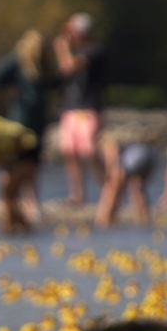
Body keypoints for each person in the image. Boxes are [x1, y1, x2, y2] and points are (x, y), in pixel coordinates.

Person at [0, 29, 49, 224]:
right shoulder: (18, 61)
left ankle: (29, 203)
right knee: (20, 164)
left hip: (38, 122)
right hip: (20, 123)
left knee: (32, 164)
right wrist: (12, 87)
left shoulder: (44, 65)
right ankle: (18, 203)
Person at [52, 13, 108, 205]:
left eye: (72, 31)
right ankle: (78, 195)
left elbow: (69, 67)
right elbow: (62, 71)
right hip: (71, 107)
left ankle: (108, 189)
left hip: (89, 108)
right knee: (70, 151)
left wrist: (62, 49)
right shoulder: (79, 53)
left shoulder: (94, 50)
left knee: (89, 151)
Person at [95, 134, 156, 228]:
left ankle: (106, 220)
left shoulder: (106, 144)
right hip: (148, 154)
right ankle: (144, 221)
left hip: (135, 158)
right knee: (138, 189)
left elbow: (115, 171)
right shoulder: (120, 143)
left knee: (113, 187)